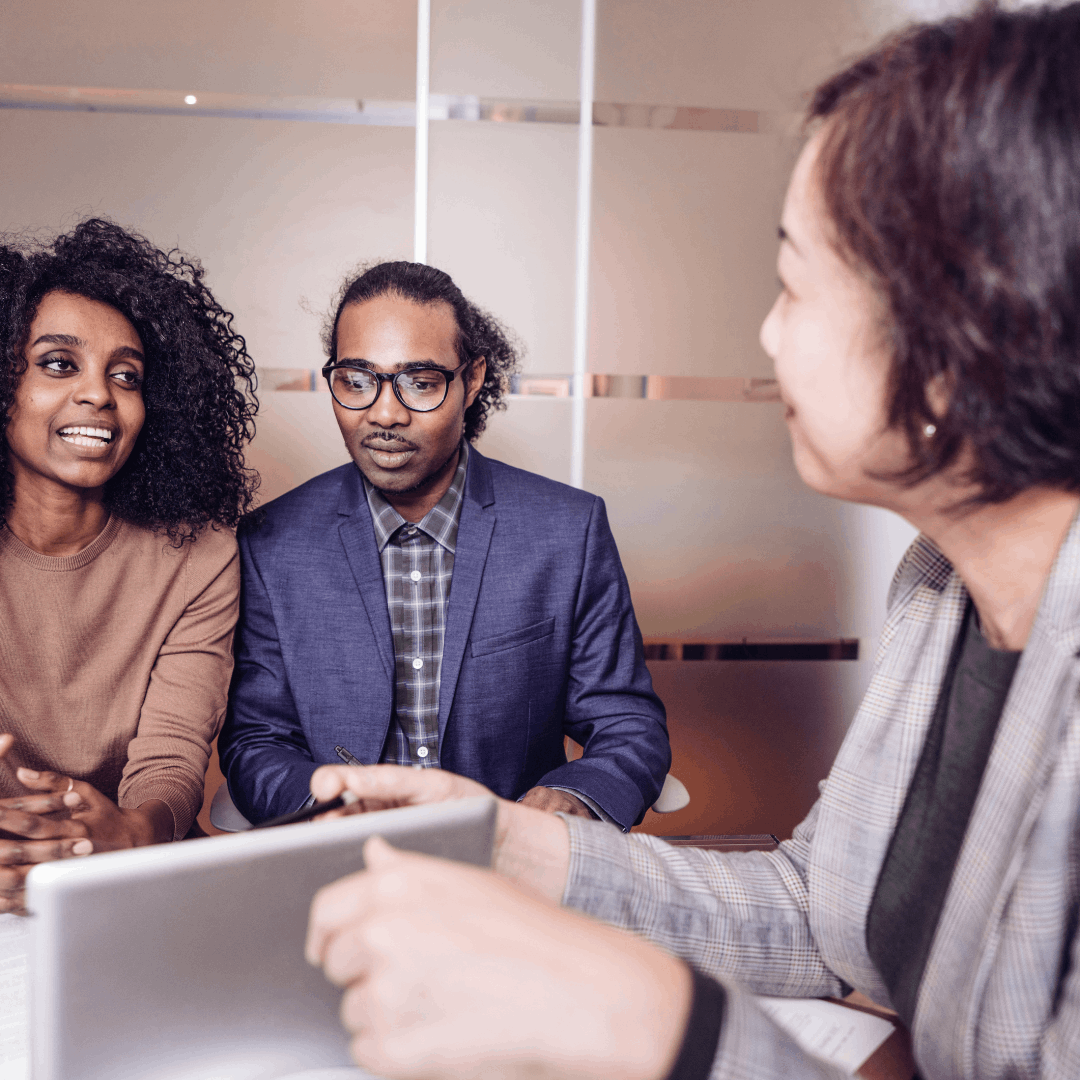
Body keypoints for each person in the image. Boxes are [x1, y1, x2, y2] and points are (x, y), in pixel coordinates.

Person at [301, 4, 1080, 1078]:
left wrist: (661, 1028)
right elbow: (820, 915)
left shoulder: (562, 529)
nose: (765, 333)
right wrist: (508, 843)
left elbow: (627, 730)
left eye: (798, 282)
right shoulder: (939, 587)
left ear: (964, 340)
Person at [219, 262, 670, 830]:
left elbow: (628, 725)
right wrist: (329, 804)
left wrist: (570, 799)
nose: (385, 413)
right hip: (342, 867)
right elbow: (255, 742)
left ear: (472, 378)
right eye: (357, 380)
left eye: (422, 382)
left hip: (511, 867)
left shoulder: (567, 531)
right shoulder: (272, 544)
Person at [0, 219, 257, 915]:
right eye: (59, 364)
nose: (98, 396)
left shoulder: (198, 555)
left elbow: (172, 757)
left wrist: (130, 837)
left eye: (127, 376)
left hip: (138, 875)